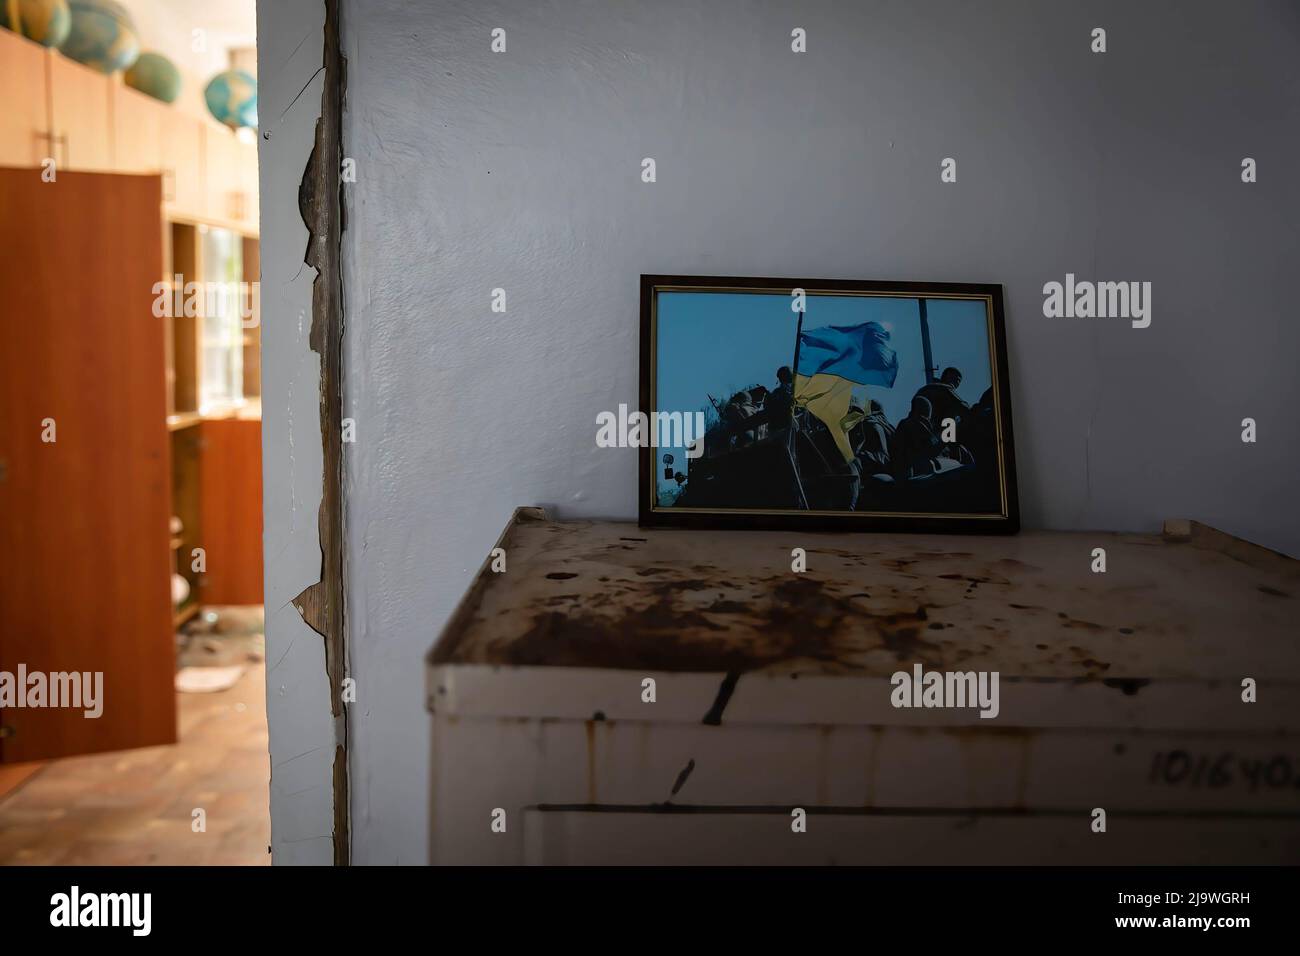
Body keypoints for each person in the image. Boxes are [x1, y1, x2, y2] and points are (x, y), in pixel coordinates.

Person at [916, 367, 971, 440]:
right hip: (936, 433)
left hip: (918, 427)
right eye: (957, 380)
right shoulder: (945, 389)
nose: (957, 384)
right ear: (948, 376)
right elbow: (963, 407)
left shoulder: (925, 389)